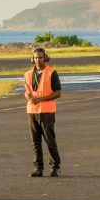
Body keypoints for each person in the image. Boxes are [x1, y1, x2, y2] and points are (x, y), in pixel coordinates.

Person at [25, 46, 61, 177]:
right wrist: (28, 96)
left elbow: (58, 93)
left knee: (49, 140)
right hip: (32, 111)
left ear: (45, 58)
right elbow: (27, 91)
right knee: (35, 142)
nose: (38, 60)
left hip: (47, 111)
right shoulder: (28, 74)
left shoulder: (52, 72)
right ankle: (38, 168)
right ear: (32, 59)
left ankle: (55, 166)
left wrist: (39, 99)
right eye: (35, 58)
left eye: (40, 57)